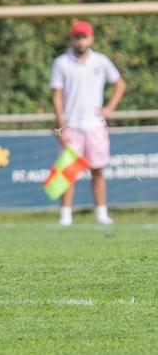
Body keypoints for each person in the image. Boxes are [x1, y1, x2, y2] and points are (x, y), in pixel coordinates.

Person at [51, 20, 126, 226]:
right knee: (67, 172)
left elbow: (119, 84)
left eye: (85, 37)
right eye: (78, 37)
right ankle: (66, 215)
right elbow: (56, 97)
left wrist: (108, 108)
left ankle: (101, 213)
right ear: (72, 39)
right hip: (71, 126)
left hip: (95, 126)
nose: (81, 41)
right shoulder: (61, 63)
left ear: (91, 38)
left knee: (98, 170)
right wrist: (61, 126)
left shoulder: (101, 61)